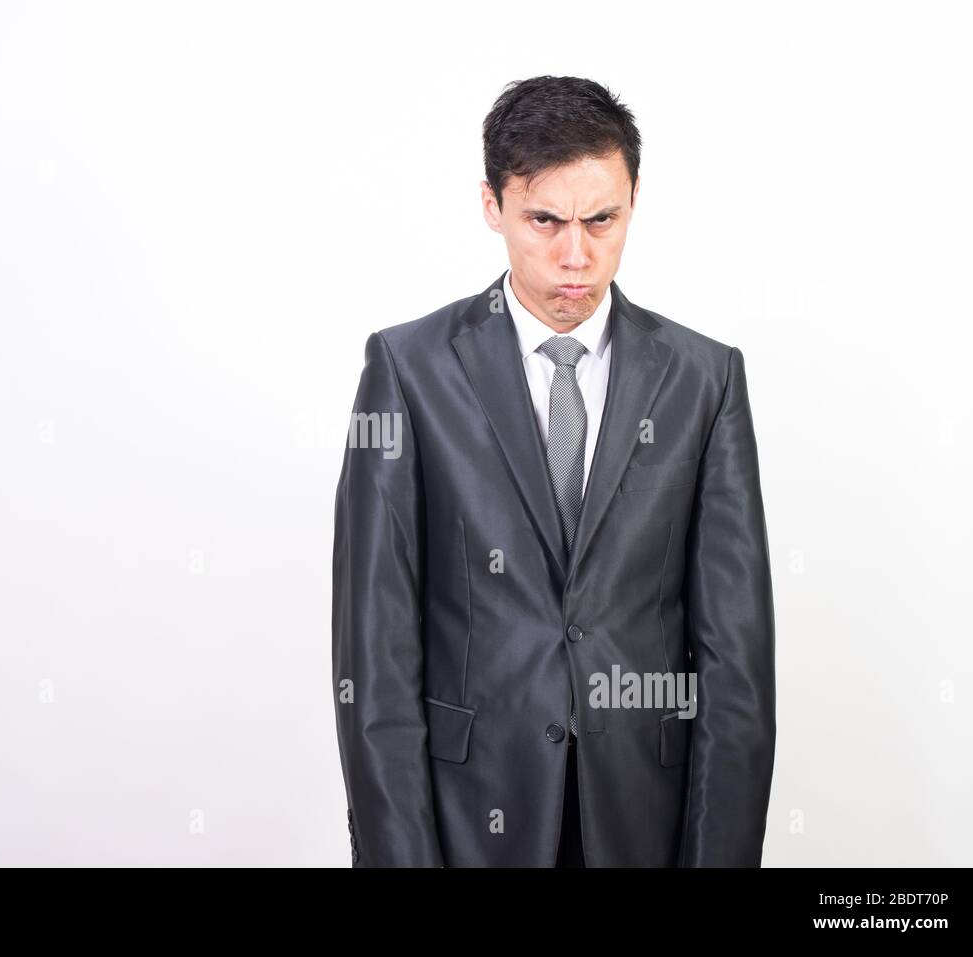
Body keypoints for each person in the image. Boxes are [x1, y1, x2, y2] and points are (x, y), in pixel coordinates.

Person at [332, 75, 776, 867]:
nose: (576, 255)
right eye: (544, 219)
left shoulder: (705, 380)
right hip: (468, 821)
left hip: (646, 817)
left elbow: (736, 668)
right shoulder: (409, 370)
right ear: (491, 205)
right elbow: (376, 655)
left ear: (634, 199)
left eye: (601, 219)